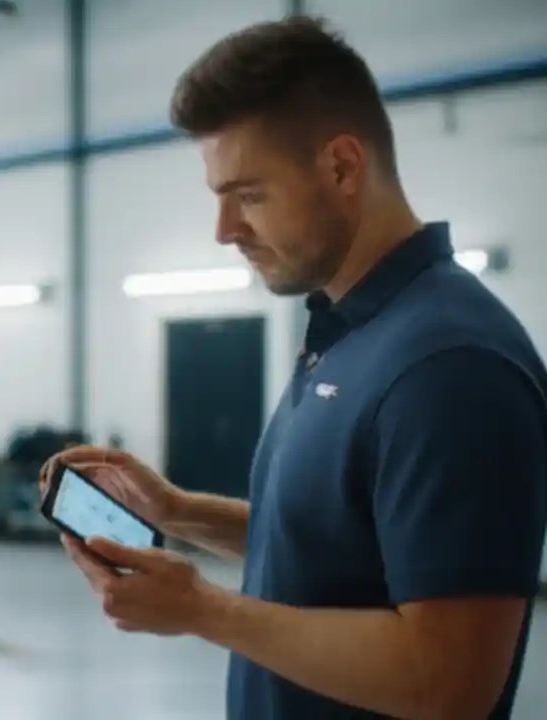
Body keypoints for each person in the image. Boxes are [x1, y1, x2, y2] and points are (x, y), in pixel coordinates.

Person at [41, 15, 547, 720]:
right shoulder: (349, 331)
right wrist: (180, 513)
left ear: (342, 166)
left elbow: (449, 683)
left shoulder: (448, 368)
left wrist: (203, 610)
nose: (224, 230)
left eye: (248, 195)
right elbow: (334, 548)